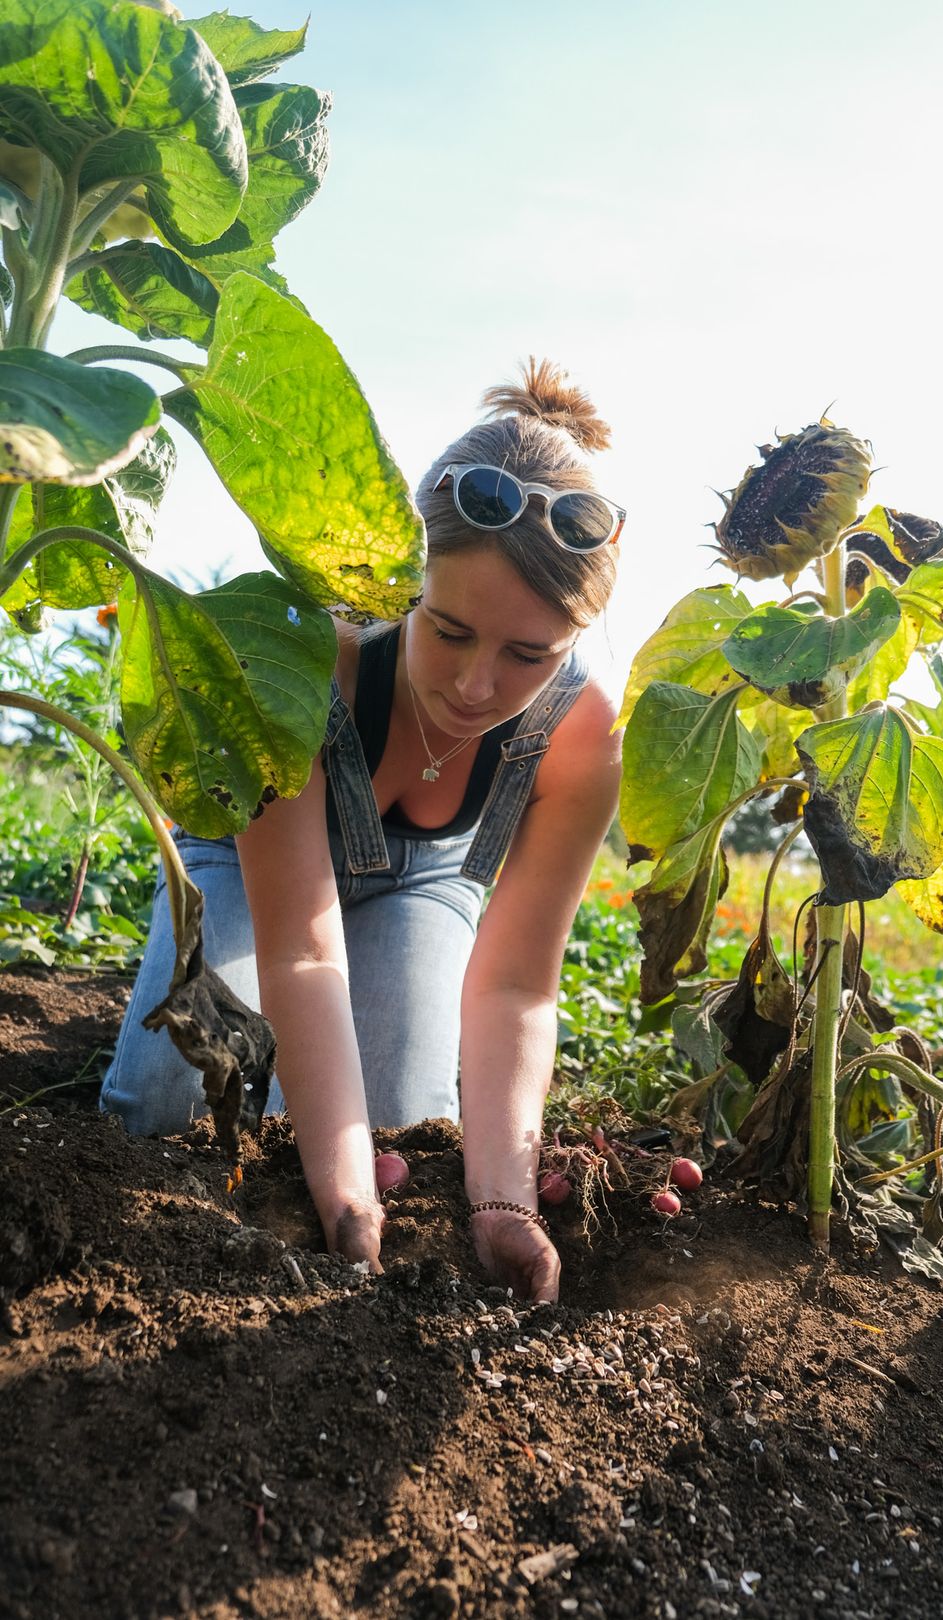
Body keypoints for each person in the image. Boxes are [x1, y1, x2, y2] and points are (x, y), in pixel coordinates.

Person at [100, 358, 624, 1303]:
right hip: (255, 876)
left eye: (527, 655)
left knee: (400, 1133)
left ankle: (293, 1092)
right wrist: (340, 1196)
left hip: (421, 886)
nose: (476, 687)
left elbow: (512, 989)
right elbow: (304, 949)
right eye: (451, 630)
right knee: (163, 1110)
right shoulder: (318, 659)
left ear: (577, 637)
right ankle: (240, 1062)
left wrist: (505, 1202)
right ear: (406, 584)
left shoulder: (583, 738)